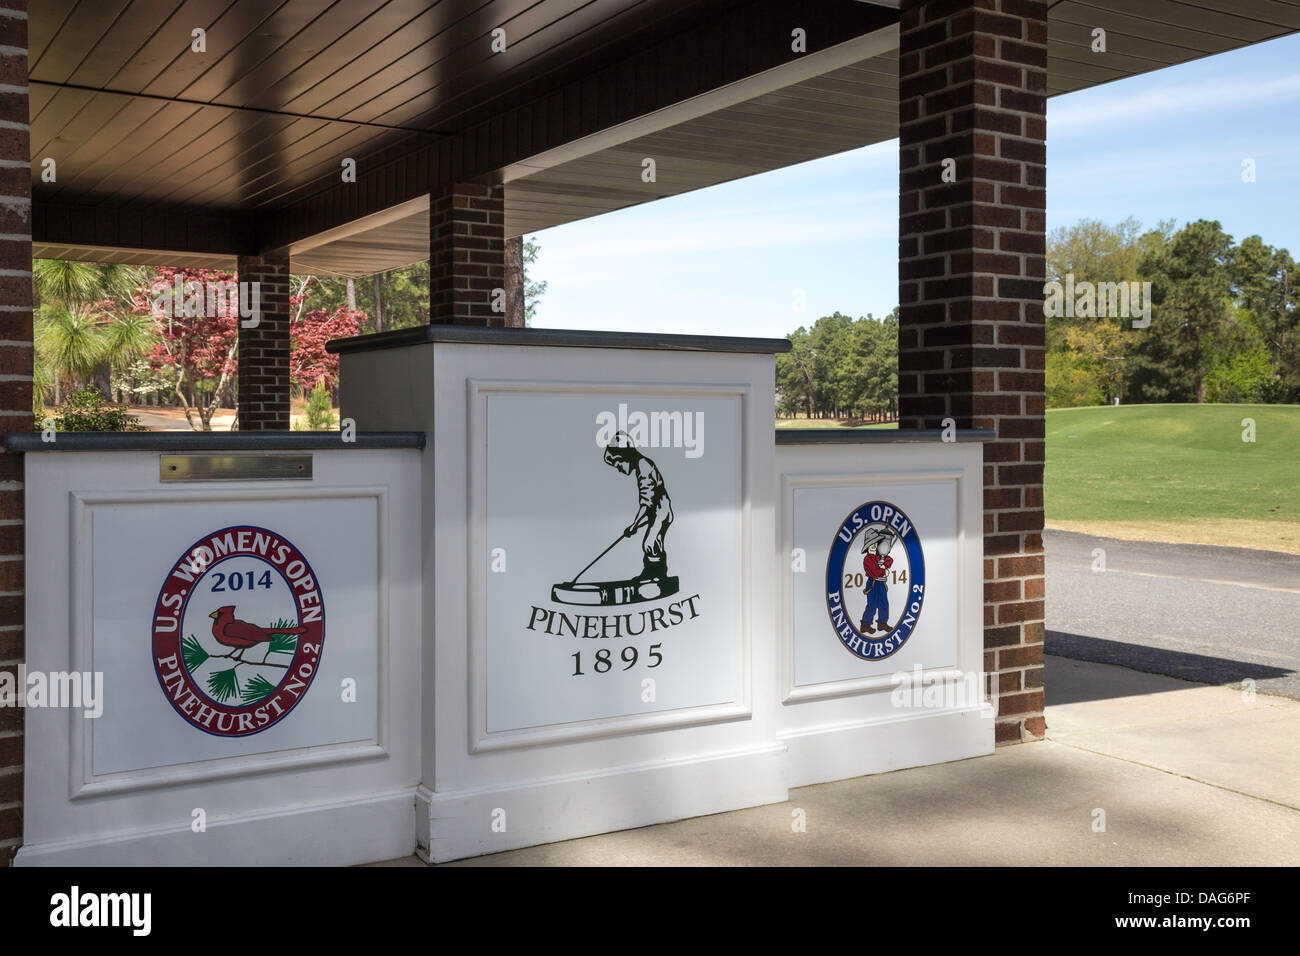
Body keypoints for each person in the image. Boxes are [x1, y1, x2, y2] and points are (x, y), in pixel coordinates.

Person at [603, 431, 673, 582]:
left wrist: (634, 525)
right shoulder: (641, 465)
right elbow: (647, 504)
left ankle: (658, 576)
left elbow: (647, 502)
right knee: (652, 543)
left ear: (623, 457)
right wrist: (634, 525)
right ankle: (653, 574)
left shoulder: (644, 467)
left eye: (617, 465)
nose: (619, 470)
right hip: (656, 512)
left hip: (661, 512)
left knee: (650, 544)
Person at [860, 528, 895, 634]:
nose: (874, 546)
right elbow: (875, 572)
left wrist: (884, 565)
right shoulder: (867, 560)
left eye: (875, 543)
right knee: (872, 605)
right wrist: (884, 571)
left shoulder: (877, 557)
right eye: (871, 544)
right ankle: (865, 625)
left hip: (880, 583)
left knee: (884, 603)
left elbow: (890, 560)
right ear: (867, 547)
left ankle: (882, 623)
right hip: (872, 583)